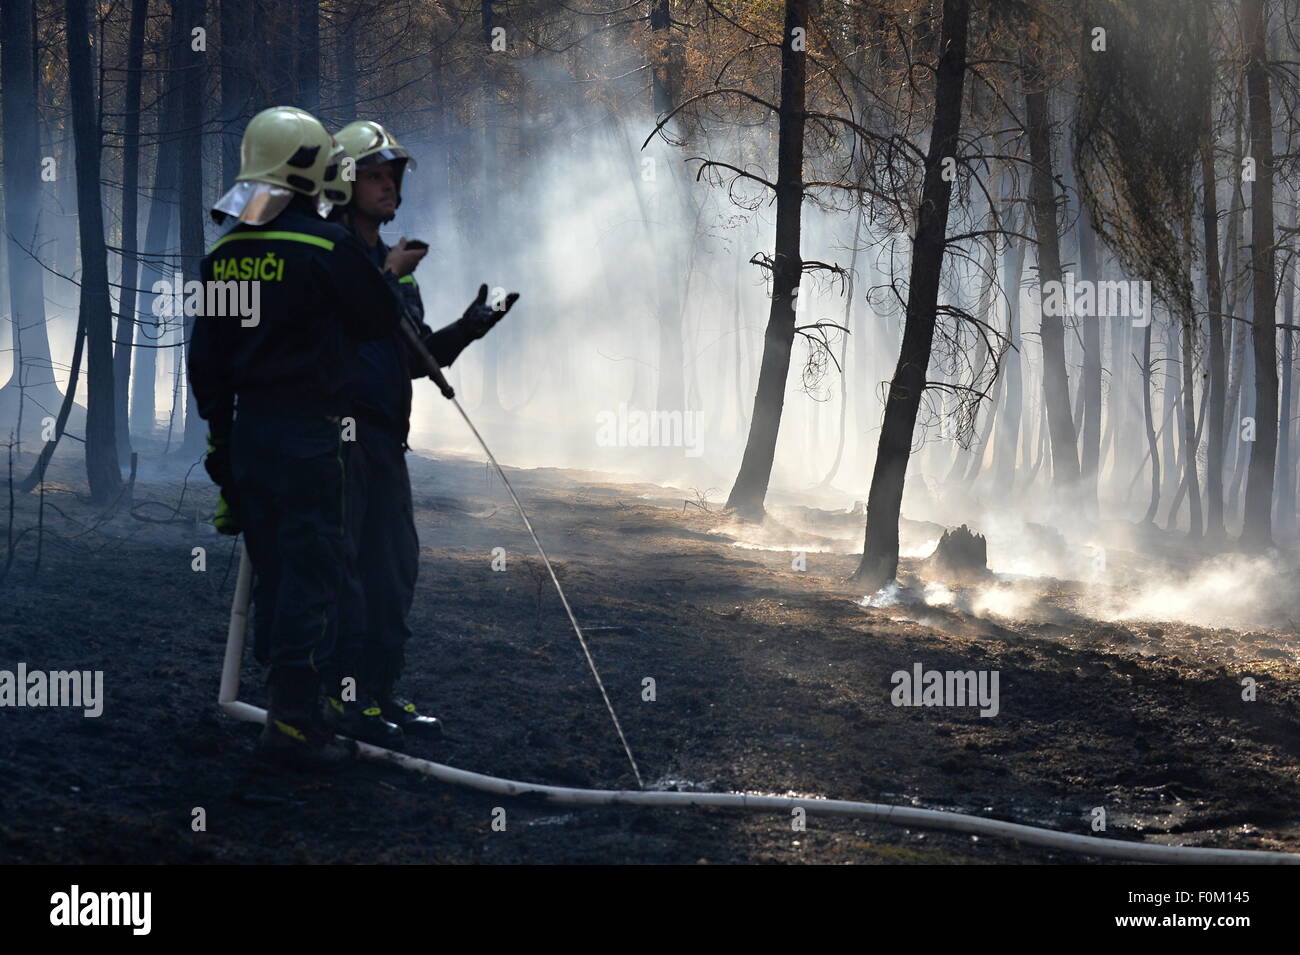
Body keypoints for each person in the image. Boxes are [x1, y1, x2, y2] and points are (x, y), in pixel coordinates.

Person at [189, 106, 406, 769]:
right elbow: (379, 318)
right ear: (315, 171)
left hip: (249, 434)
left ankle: (284, 700)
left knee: (275, 570)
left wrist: (223, 448)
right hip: (314, 437)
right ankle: (291, 721)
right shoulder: (326, 248)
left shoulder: (225, 253)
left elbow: (207, 364)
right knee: (316, 571)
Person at [320, 119, 518, 745]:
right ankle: (337, 700)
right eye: (374, 176)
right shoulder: (327, 254)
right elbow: (329, 333)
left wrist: (468, 328)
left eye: (393, 177)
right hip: (336, 438)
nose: (388, 188)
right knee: (343, 573)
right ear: (343, 182)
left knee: (394, 570)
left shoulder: (394, 267)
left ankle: (379, 697)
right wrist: (382, 275)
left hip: (384, 441)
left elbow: (411, 359)